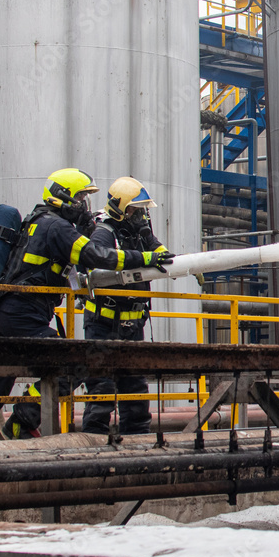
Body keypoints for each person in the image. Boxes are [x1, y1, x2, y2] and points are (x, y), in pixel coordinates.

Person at [0, 168, 173, 439]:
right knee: (71, 363)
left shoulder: (39, 220)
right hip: (24, 313)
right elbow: (95, 255)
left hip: (7, 311)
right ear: (63, 197)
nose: (84, 205)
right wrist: (143, 259)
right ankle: (21, 420)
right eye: (80, 198)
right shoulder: (58, 227)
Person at [81, 177, 170, 436]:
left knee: (136, 390)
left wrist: (189, 265)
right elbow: (103, 262)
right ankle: (93, 446)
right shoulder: (103, 232)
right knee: (102, 388)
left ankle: (136, 448)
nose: (141, 216)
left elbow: (161, 252)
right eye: (136, 209)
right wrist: (145, 258)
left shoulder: (140, 234)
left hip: (133, 324)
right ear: (121, 208)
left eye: (143, 210)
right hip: (104, 324)